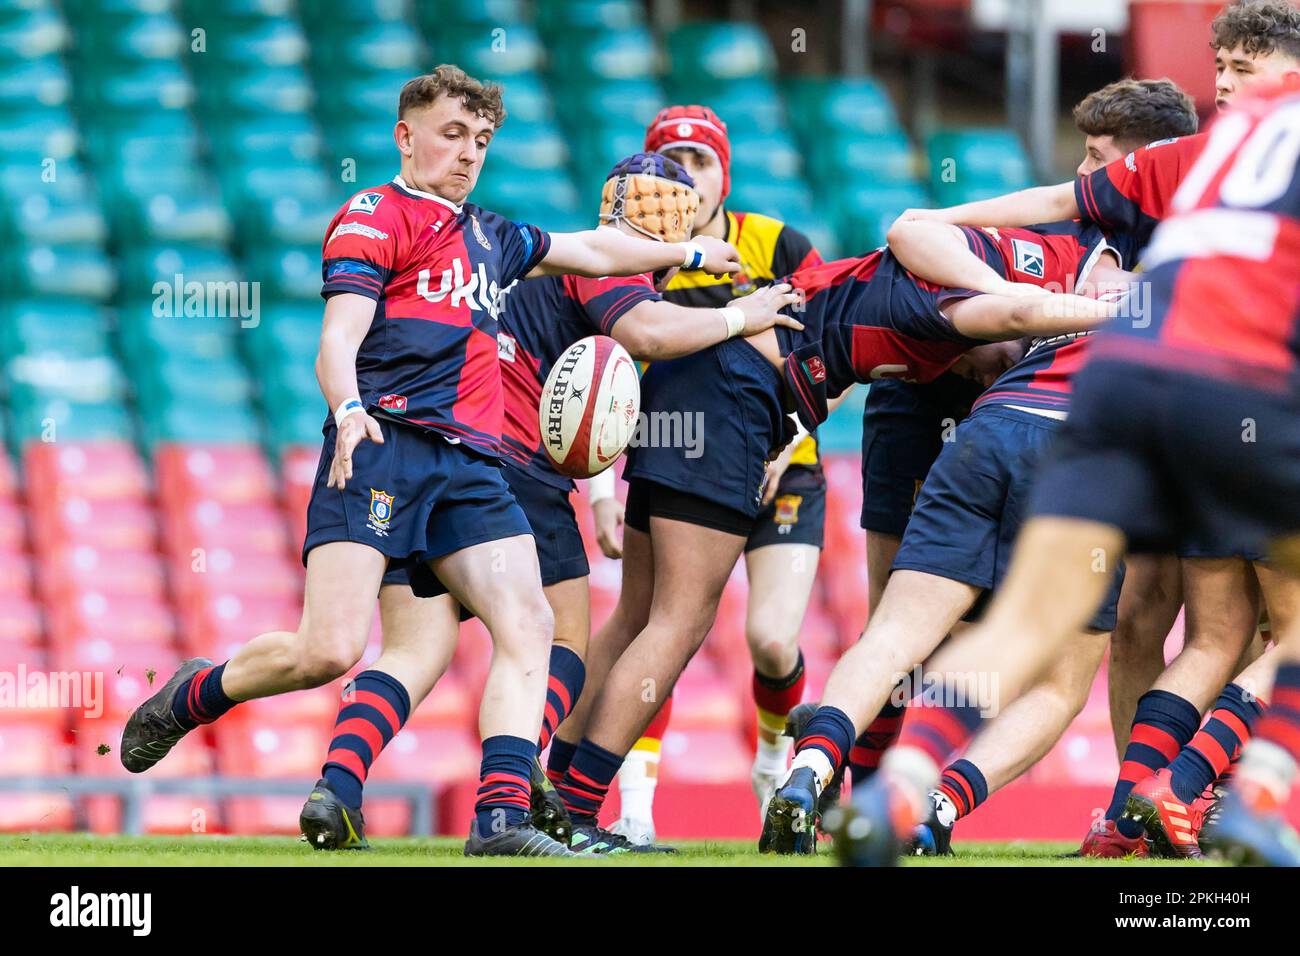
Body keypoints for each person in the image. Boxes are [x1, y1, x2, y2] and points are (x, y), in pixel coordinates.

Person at [118, 66, 742, 859]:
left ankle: (501, 820)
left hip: (473, 466)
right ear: (405, 136)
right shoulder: (373, 215)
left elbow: (588, 248)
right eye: (452, 134)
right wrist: (347, 411)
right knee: (329, 651)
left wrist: (690, 248)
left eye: (481, 140)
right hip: (382, 446)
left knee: (531, 625)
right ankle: (196, 694)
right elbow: (339, 336)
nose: (468, 152)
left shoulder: (493, 234)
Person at [836, 80, 1300, 868]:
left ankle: (904, 784)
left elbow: (1056, 194)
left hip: (1115, 374)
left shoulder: (1223, 136)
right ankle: (1239, 795)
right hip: (1239, 382)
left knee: (1027, 621)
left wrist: (929, 220)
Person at [296, 152, 800, 854]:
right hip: (510, 472)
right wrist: (743, 315)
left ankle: (339, 786)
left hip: (436, 459)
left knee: (419, 646)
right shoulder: (608, 267)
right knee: (562, 636)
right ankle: (517, 793)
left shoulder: (556, 254)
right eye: (655, 204)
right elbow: (646, 339)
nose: (659, 216)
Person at [547, 221, 1118, 838]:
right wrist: (1102, 311)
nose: (991, 375)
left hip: (704, 386)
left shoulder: (927, 295)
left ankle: (548, 799)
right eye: (1000, 365)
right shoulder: (952, 304)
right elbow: (956, 268)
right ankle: (577, 810)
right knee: (678, 620)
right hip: (733, 391)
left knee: (636, 614)